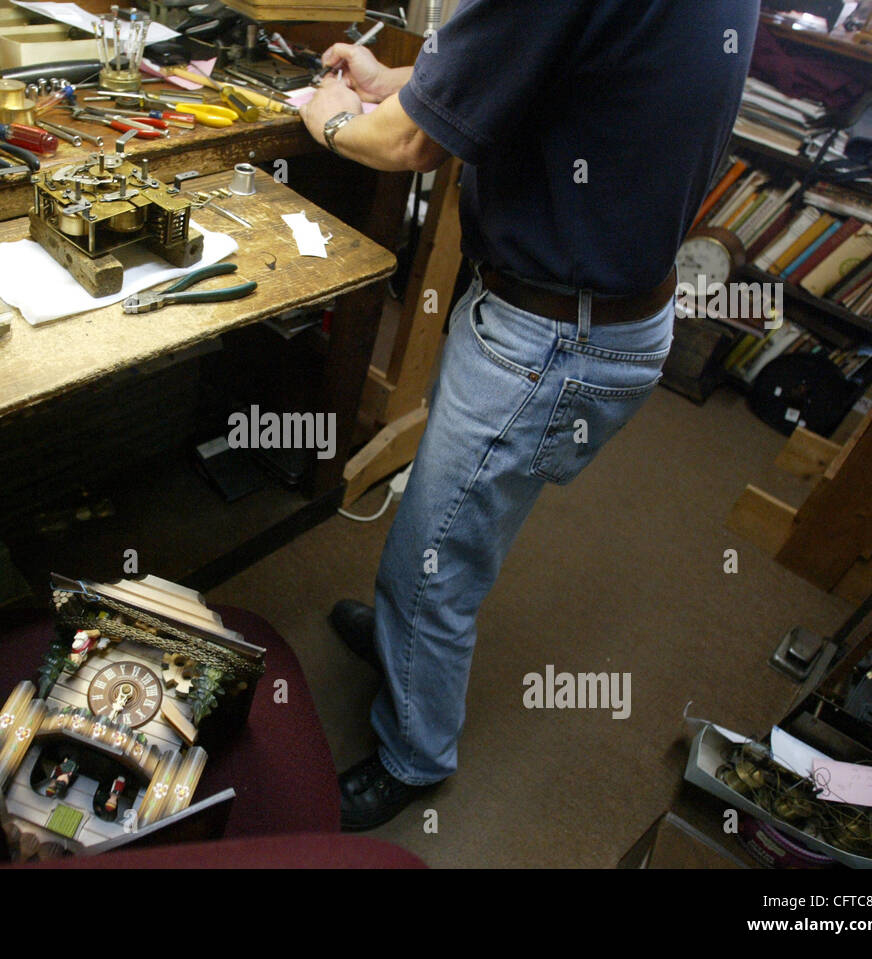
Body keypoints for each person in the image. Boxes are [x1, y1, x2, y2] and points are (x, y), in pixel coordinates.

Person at [298, 0, 760, 830]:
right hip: (603, 314)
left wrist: (334, 120)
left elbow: (406, 143)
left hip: (553, 333)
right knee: (464, 524)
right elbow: (554, 62)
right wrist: (402, 79)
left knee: (431, 564)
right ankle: (410, 646)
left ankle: (415, 754)